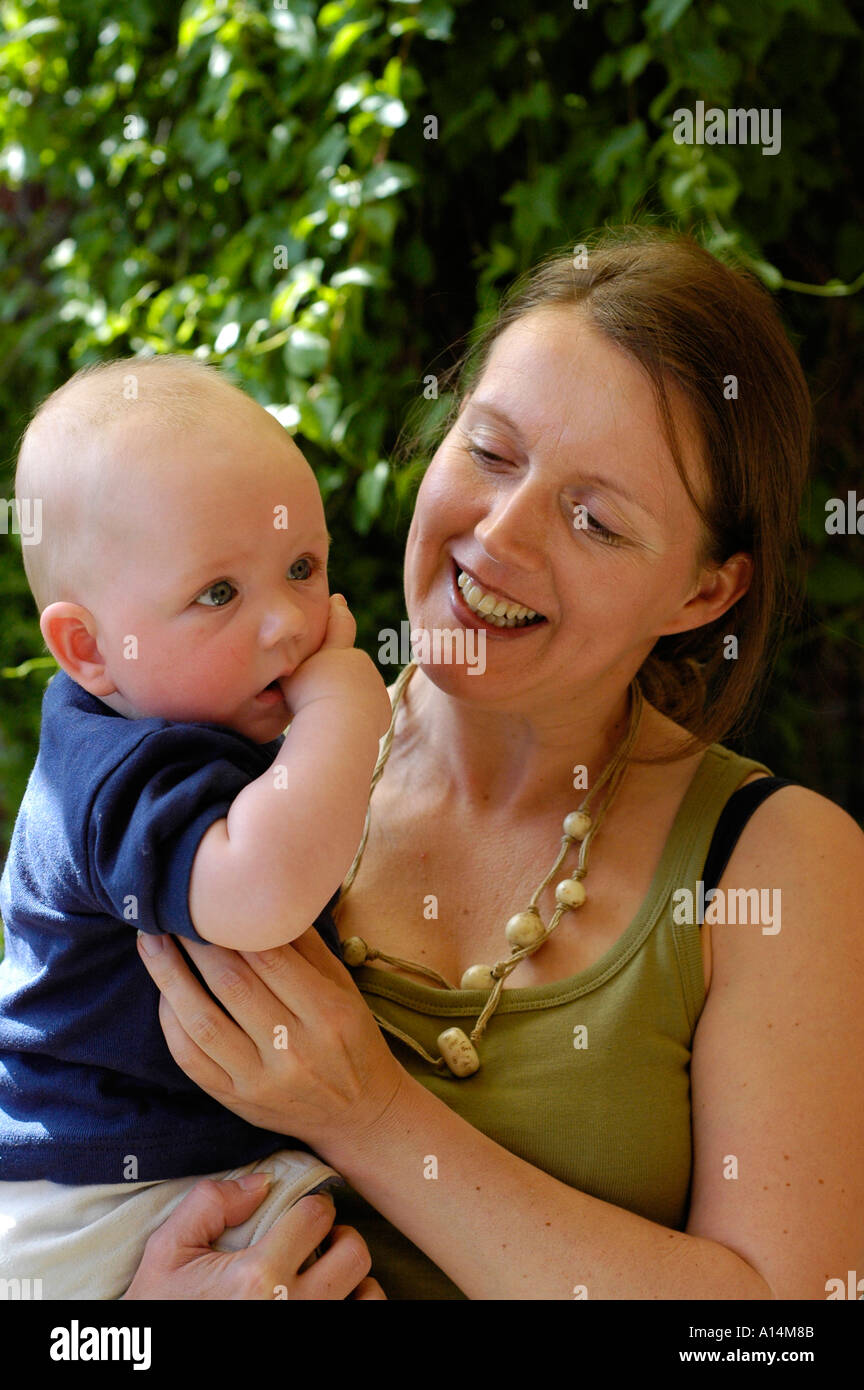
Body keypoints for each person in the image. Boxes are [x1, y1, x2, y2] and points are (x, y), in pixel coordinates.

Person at [109, 228, 864, 1299]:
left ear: (705, 594)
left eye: (595, 520)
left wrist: (370, 1114)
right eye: (492, 453)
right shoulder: (211, 741)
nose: (500, 537)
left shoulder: (775, 862)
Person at [0, 358, 393, 1300]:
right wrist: (347, 711)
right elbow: (258, 894)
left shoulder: (196, 722)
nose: (287, 624)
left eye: (302, 568)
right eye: (218, 594)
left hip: (171, 1170)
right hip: (89, 1200)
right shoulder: (117, 772)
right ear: (89, 651)